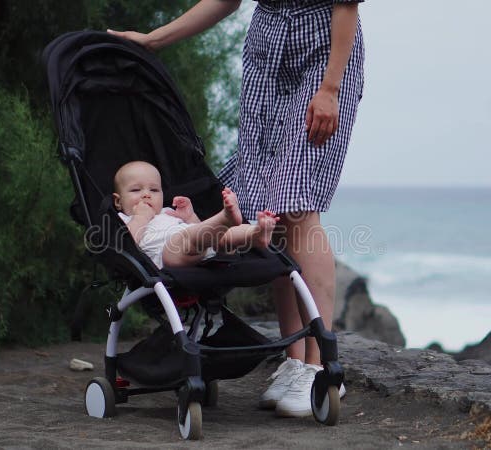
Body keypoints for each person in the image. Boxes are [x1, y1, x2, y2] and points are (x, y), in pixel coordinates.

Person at [109, 0, 364, 418]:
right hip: (266, 53)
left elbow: (346, 4)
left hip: (322, 54)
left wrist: (332, 88)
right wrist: (154, 40)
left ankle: (321, 368)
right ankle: (294, 360)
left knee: (297, 204)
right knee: (270, 209)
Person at [113, 161, 278, 268]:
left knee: (223, 236)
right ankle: (226, 218)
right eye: (136, 190)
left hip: (202, 246)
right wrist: (141, 218)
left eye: (154, 190)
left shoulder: (167, 213)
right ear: (118, 202)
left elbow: (196, 227)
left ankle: (255, 234)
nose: (146, 195)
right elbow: (126, 244)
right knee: (187, 238)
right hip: (167, 256)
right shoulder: (126, 219)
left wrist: (190, 216)